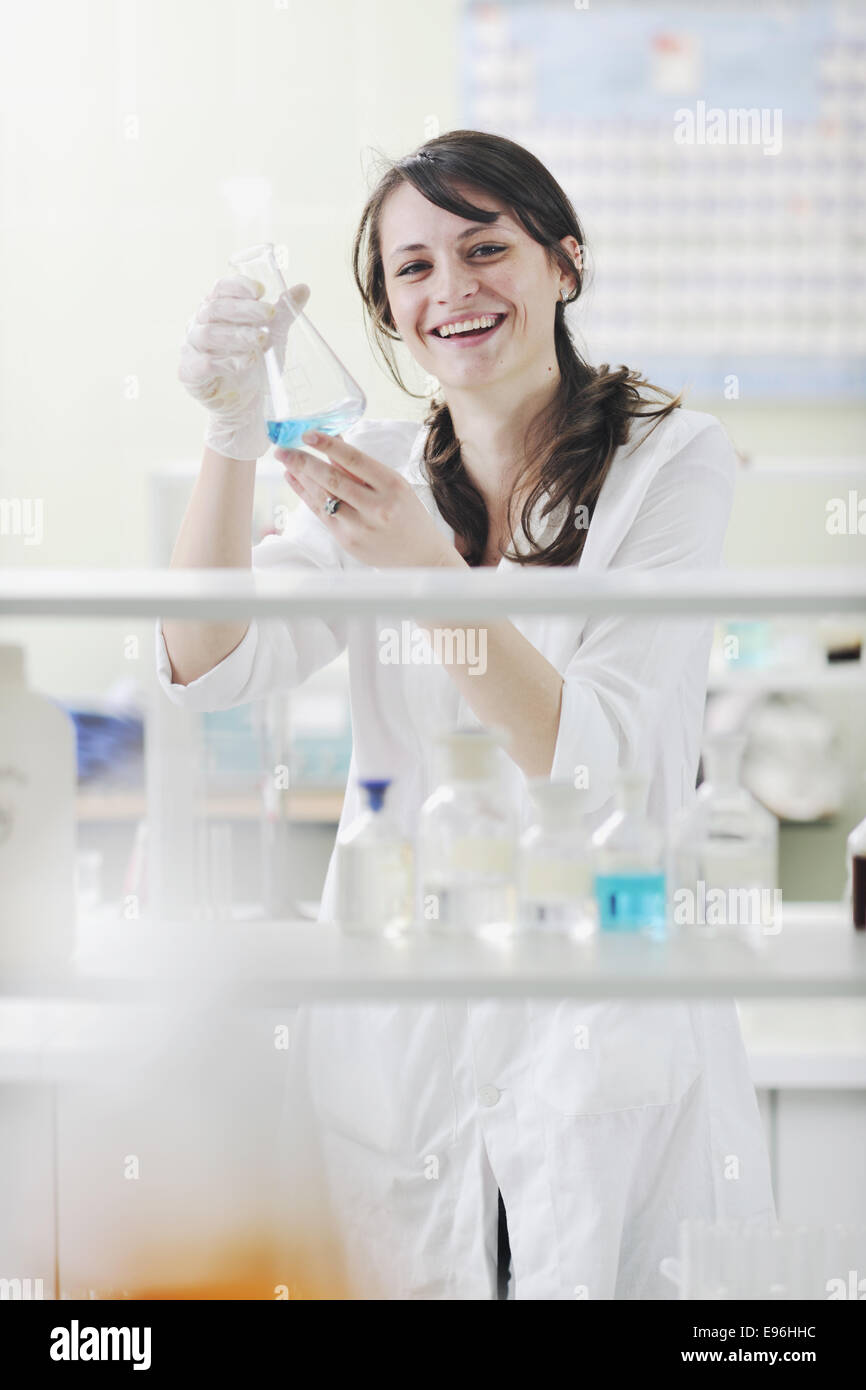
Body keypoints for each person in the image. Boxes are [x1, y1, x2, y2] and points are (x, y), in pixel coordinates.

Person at [158, 129, 775, 1300]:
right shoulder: (377, 468)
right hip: (408, 1053)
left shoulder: (669, 462)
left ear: (563, 263)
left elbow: (598, 767)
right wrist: (230, 437)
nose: (452, 289)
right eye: (413, 269)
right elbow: (211, 659)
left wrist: (423, 570)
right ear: (387, 313)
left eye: (485, 248)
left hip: (600, 1041)